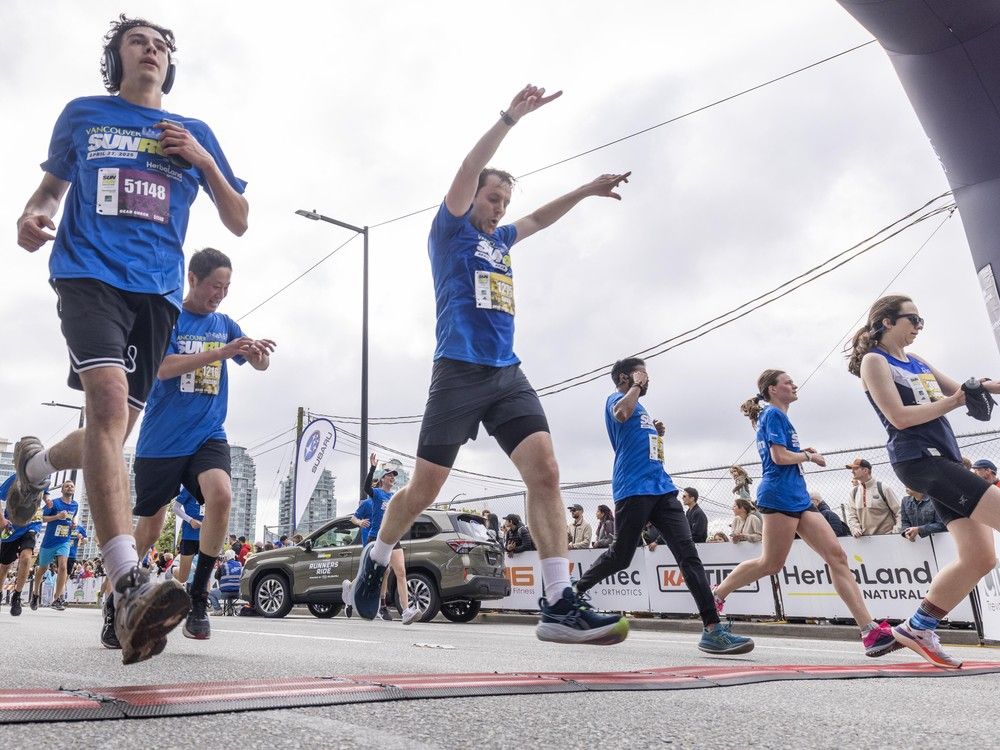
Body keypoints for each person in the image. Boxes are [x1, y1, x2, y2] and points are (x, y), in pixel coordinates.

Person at [341, 84, 631, 646]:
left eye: (504, 201)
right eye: (492, 197)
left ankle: (558, 601)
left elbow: (541, 220)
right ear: (471, 197)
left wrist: (587, 190)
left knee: (544, 472)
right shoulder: (447, 232)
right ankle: (375, 558)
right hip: (456, 372)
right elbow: (470, 163)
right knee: (423, 490)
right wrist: (509, 118)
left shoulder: (500, 240)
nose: (499, 208)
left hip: (506, 375)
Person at [12, 15, 248, 665]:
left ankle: (32, 467)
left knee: (108, 435)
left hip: (157, 295)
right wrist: (36, 216)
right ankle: (125, 585)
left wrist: (200, 159)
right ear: (116, 56)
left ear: (171, 65)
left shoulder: (194, 134)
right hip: (88, 276)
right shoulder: (83, 115)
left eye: (163, 45)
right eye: (139, 40)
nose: (152, 49)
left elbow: (239, 216)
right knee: (110, 410)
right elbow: (48, 192)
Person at [130, 247, 274, 646]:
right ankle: (116, 603)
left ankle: (198, 597)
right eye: (215, 286)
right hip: (161, 441)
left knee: (222, 495)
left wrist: (257, 355)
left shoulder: (224, 322)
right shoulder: (168, 315)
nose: (220, 295)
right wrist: (224, 351)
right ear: (193, 279)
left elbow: (254, 363)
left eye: (227, 288)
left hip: (208, 434)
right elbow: (162, 368)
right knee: (148, 530)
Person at [849, 295, 1000, 667]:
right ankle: (919, 627)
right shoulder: (875, 361)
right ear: (886, 322)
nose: (918, 326)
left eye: (922, 321)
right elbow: (899, 417)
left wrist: (984, 389)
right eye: (912, 319)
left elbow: (966, 388)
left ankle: (918, 627)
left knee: (980, 558)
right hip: (918, 459)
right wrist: (955, 401)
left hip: (942, 460)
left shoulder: (918, 361)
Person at [712, 370, 898, 658]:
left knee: (837, 556)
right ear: (772, 389)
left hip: (798, 496)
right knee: (771, 563)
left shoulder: (778, 417)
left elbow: (785, 453)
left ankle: (869, 631)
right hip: (779, 496)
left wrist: (801, 451)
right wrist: (810, 456)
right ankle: (717, 595)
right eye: (788, 382)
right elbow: (779, 457)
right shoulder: (773, 415)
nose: (794, 385)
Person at [574, 358, 752, 653]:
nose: (647, 379)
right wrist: (636, 386)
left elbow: (650, 452)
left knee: (689, 556)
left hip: (663, 489)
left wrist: (656, 436)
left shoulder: (640, 408)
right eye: (641, 373)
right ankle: (573, 592)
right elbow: (621, 413)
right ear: (623, 377)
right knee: (621, 556)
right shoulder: (617, 398)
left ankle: (712, 630)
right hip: (633, 489)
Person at [345, 454, 419, 625]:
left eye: (394, 475)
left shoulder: (394, 497)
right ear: (383, 478)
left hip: (393, 537)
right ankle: (351, 589)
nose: (393, 477)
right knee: (377, 572)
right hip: (376, 537)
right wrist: (372, 468)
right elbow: (366, 487)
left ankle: (406, 611)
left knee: (400, 572)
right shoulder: (376, 494)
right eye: (390, 475)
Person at [32, 481, 79, 611]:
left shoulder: (75, 505)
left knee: (63, 566)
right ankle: (35, 594)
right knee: (42, 569)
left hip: (64, 540)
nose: (70, 487)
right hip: (49, 542)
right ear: (62, 490)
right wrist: (57, 516)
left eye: (72, 486)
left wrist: (73, 524)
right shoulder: (54, 502)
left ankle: (57, 599)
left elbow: (71, 518)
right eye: (67, 486)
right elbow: (42, 518)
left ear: (74, 490)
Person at [0, 476, 43, 617]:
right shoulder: (15, 479)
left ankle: (17, 596)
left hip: (32, 525)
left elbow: (45, 493)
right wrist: (2, 519)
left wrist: (47, 500)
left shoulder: (43, 477)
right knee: (5, 566)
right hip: (12, 527)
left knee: (26, 558)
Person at [845, 457, 901, 536]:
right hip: (865, 541)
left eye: (855, 468)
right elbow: (852, 515)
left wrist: (896, 532)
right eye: (852, 469)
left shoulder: (883, 488)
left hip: (888, 538)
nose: (852, 471)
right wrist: (855, 528)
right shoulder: (854, 492)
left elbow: (899, 511)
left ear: (865, 470)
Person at [172, 487, 204, 585]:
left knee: (204, 575)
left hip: (206, 536)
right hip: (189, 536)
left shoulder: (212, 488)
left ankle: (203, 599)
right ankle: (173, 568)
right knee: (183, 577)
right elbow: (175, 508)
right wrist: (190, 520)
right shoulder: (190, 487)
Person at [208, 549, 241, 614]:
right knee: (231, 588)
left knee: (210, 592)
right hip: (238, 593)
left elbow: (216, 576)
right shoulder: (239, 564)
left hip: (225, 593)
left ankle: (218, 610)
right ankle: (230, 610)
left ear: (226, 557)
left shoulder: (224, 565)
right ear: (234, 556)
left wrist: (221, 564)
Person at [65, 519, 88, 586]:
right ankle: (60, 589)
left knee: (67, 573)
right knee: (61, 571)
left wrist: (81, 538)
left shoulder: (79, 528)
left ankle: (62, 588)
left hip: (71, 554)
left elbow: (86, 541)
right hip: (61, 552)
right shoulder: (64, 525)